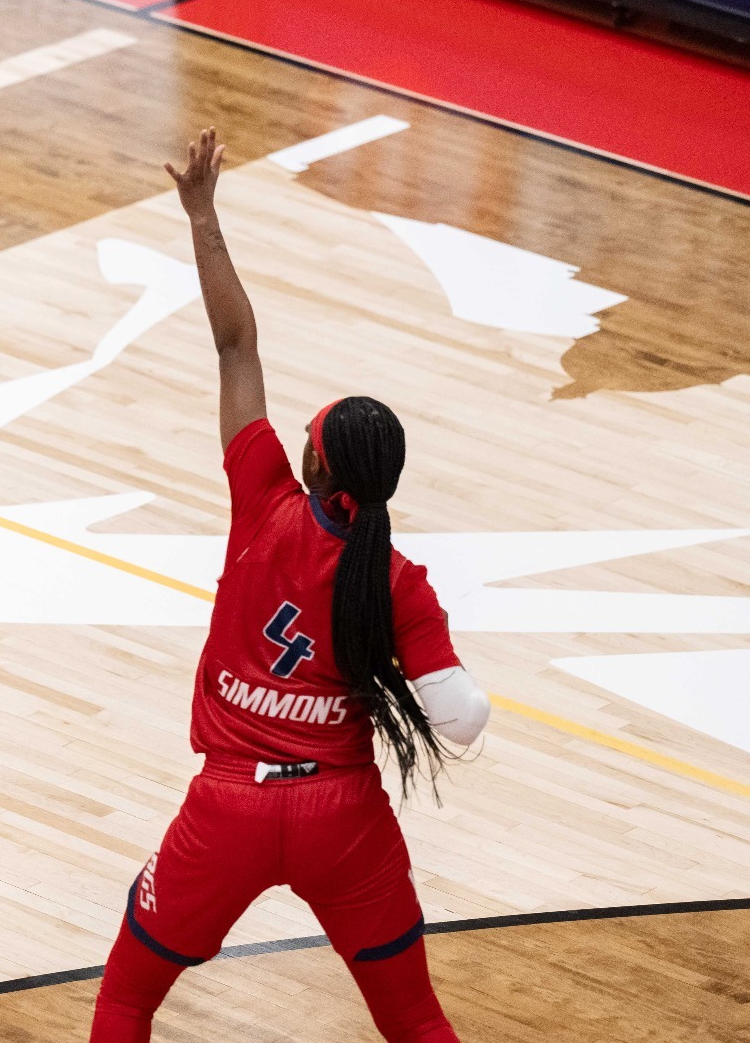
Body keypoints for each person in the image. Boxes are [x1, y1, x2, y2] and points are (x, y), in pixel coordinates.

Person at [88, 129, 492, 1041]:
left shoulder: (261, 495)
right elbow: (461, 718)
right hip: (343, 814)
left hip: (229, 805)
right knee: (415, 1016)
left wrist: (202, 213)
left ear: (310, 463)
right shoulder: (399, 579)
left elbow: (236, 340)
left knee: (125, 999)